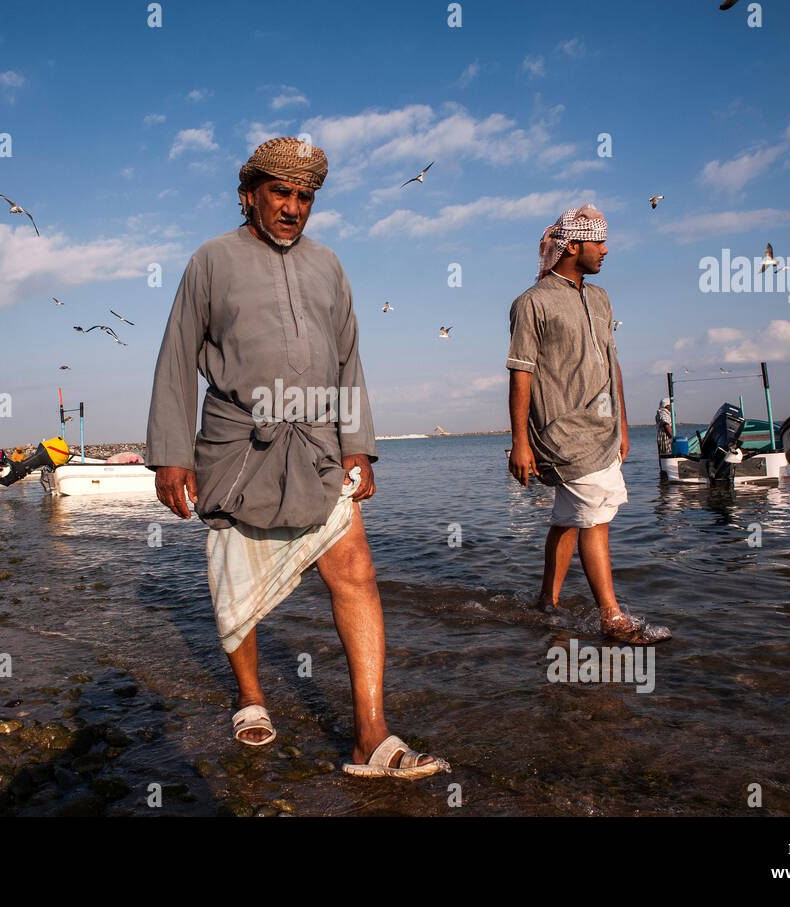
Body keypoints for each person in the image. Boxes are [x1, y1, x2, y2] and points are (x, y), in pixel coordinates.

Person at [146, 136, 448, 779]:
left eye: (304, 197)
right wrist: (171, 456)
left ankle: (372, 736)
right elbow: (175, 357)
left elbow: (347, 360)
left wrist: (359, 445)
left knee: (357, 573)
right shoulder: (211, 260)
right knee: (237, 578)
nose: (291, 207)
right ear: (249, 193)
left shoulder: (328, 265)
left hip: (318, 443)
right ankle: (251, 697)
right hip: (235, 445)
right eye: (279, 193)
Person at [507, 204, 671, 644]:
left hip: (603, 430)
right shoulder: (532, 303)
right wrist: (520, 442)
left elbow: (611, 361)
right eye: (597, 241)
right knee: (596, 517)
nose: (605, 250)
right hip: (561, 432)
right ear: (572, 246)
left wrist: (622, 423)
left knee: (568, 517)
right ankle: (611, 617)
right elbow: (520, 372)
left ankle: (547, 601)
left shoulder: (600, 298)